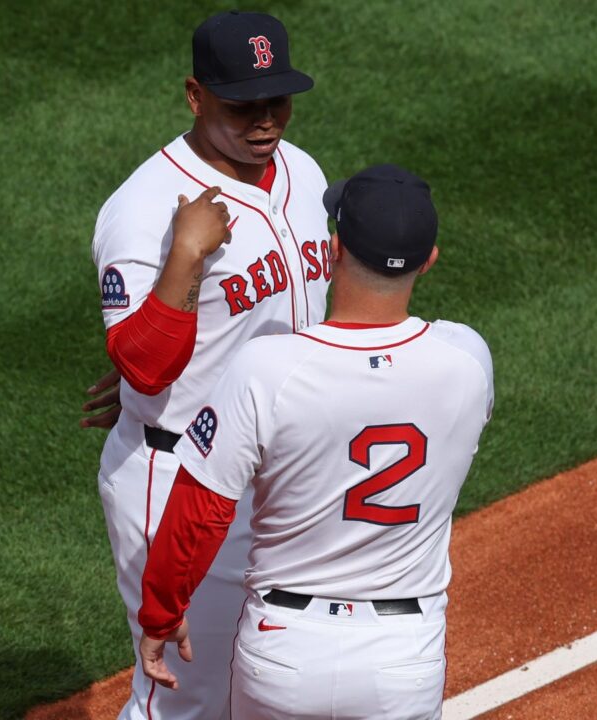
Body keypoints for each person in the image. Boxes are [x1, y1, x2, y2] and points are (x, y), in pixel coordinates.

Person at [137, 164, 494, 720]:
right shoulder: (468, 358)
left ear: (333, 251)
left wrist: (162, 614)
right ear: (429, 261)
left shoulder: (267, 368)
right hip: (402, 659)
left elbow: (198, 511)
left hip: (285, 653)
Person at [87, 10, 332, 719]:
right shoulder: (144, 210)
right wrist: (187, 255)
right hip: (180, 476)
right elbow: (150, 368)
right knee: (184, 702)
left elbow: (307, 309)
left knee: (268, 685)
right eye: (241, 106)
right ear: (195, 97)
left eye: (277, 101)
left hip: (282, 471)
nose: (264, 122)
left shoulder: (304, 169)